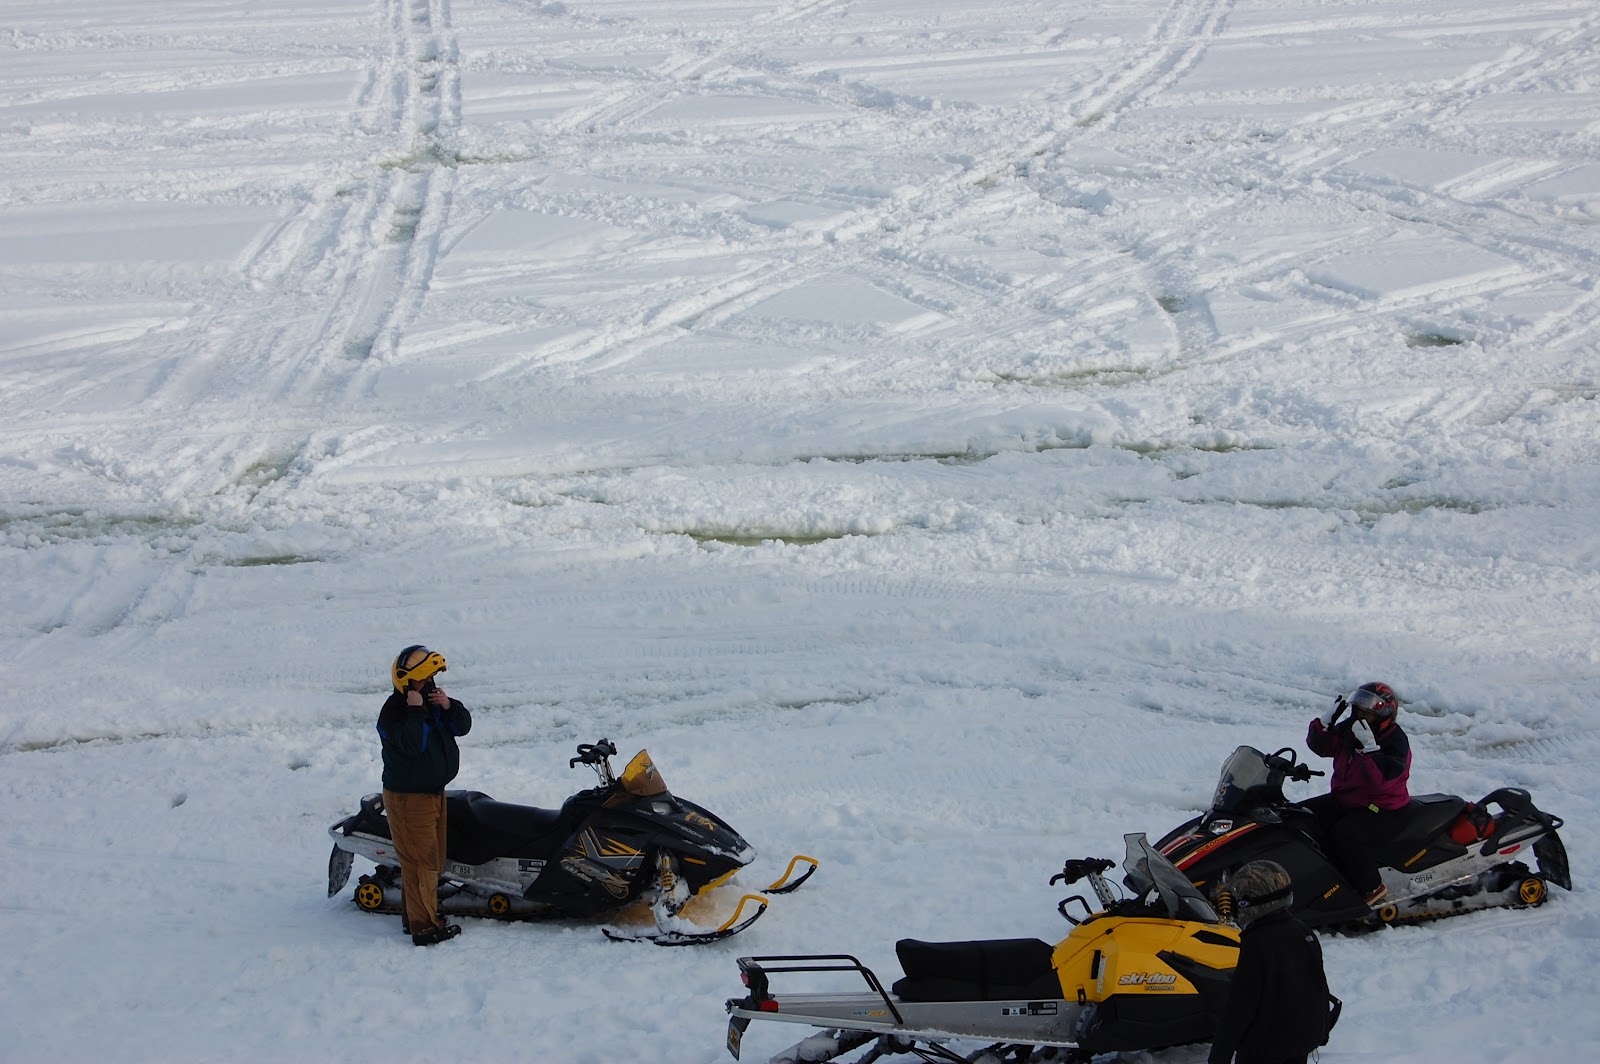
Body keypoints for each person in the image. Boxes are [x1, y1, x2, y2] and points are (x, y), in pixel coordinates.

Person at [377, 644, 473, 946]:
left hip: (433, 793)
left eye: (432, 678)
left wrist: (448, 706)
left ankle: (413, 917)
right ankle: (425, 927)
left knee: (428, 860)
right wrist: (417, 710)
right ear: (407, 684)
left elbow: (463, 726)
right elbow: (412, 744)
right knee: (422, 864)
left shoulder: (431, 702)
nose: (430, 683)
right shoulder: (393, 714)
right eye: (424, 679)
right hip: (409, 799)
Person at [1209, 860, 1335, 1064]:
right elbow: (1317, 986)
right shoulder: (1302, 930)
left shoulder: (1256, 942)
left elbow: (1240, 1005)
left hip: (1263, 1049)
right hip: (1300, 1042)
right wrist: (1321, 1029)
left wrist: (1219, 1054)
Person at [1302, 681, 1411, 907]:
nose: (1361, 715)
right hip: (1347, 800)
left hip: (1382, 808)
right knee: (1301, 815)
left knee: (1346, 835)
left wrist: (1370, 750)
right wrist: (1324, 725)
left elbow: (1385, 782)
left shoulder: (1395, 741)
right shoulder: (1353, 729)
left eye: (1367, 711)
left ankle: (1371, 889)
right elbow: (1323, 747)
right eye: (1358, 709)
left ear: (1383, 714)